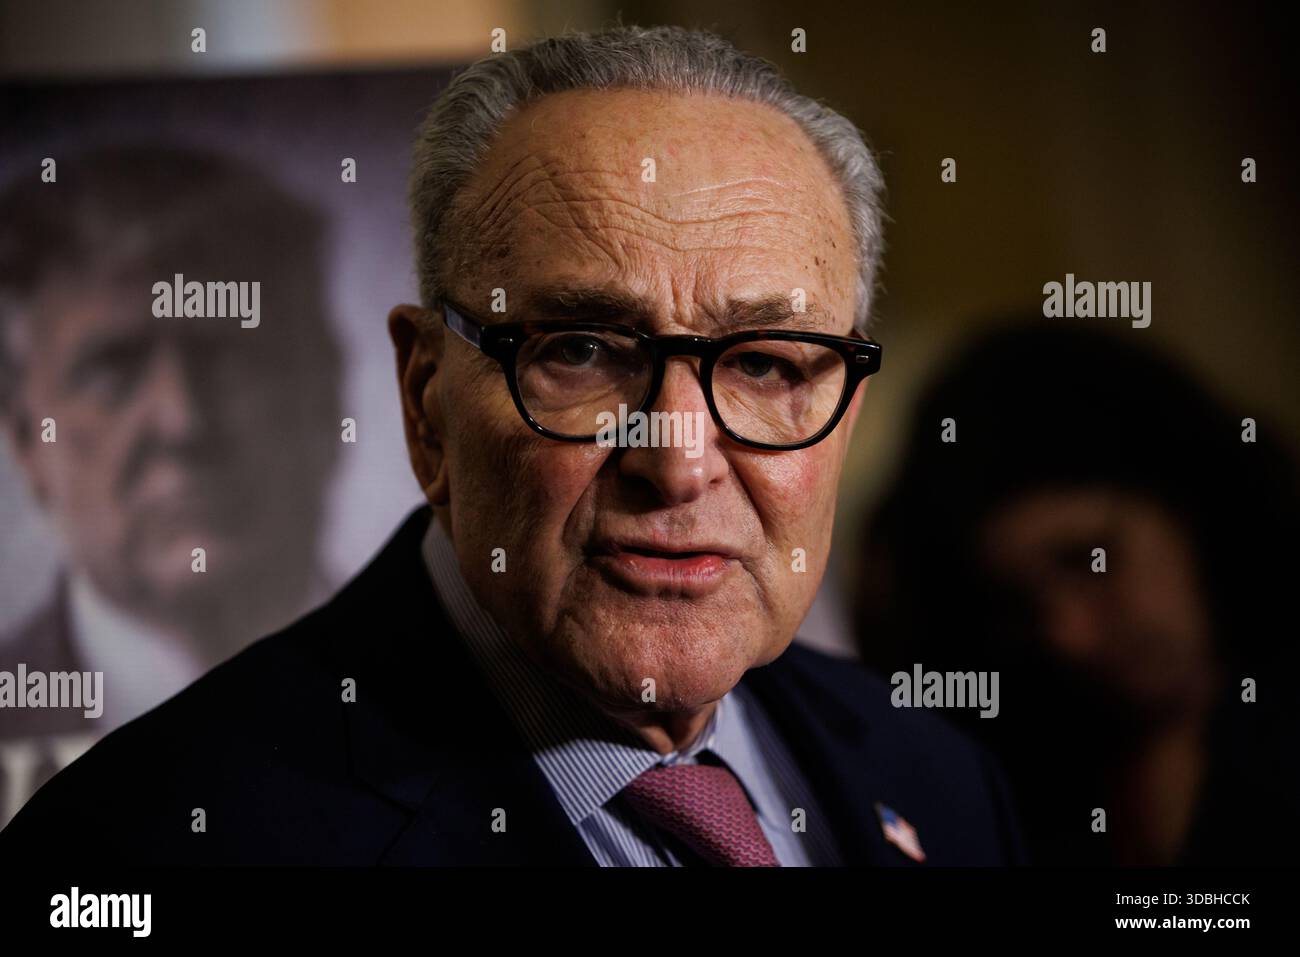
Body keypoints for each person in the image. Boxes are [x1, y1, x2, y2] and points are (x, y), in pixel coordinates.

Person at [0, 26, 1023, 866]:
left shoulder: (934, 773)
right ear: (425, 399)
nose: (676, 462)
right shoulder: (145, 849)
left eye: (764, 364)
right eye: (581, 350)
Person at [854, 319, 1300, 866]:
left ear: (1194, 508)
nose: (1068, 637)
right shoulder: (1016, 790)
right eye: (1020, 605)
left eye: (1090, 559)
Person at [0, 146, 342, 826]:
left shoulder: (479, 705)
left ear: (326, 395)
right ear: (26, 444)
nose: (183, 420)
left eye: (230, 355)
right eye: (112, 370)